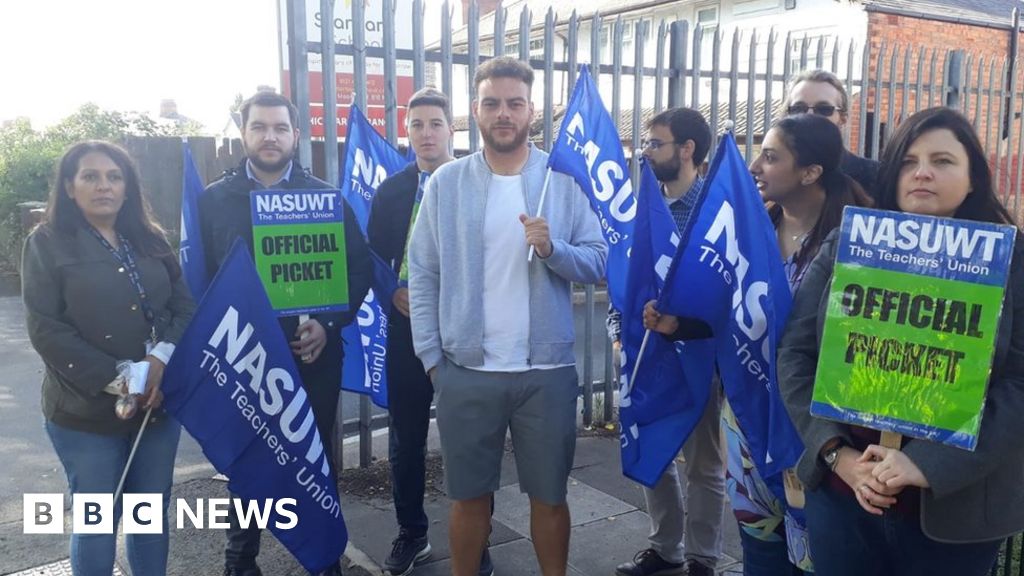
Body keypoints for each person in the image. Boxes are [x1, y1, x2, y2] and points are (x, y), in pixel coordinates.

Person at [778, 106, 1024, 576]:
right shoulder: (846, 245)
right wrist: (837, 455)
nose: (923, 172)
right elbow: (796, 354)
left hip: (955, 516)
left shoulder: (1012, 262)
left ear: (973, 177)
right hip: (842, 498)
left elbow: (1019, 383)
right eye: (908, 161)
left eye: (942, 160)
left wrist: (927, 465)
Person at [643, 113, 873, 575]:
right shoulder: (751, 233)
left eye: (771, 157)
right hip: (747, 424)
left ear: (810, 173)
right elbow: (727, 317)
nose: (754, 167)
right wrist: (679, 325)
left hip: (814, 435)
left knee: (813, 558)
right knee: (761, 553)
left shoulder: (855, 245)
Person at [406, 56, 607, 576]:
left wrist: (552, 250)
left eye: (514, 103)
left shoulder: (560, 180)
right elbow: (422, 273)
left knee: (550, 498)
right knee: (468, 500)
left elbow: (600, 258)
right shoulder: (446, 184)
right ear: (475, 110)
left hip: (546, 373)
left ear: (530, 111)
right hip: (467, 371)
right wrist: (432, 358)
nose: (503, 113)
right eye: (492, 103)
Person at [198, 91, 372, 576]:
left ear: (296, 135)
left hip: (312, 354)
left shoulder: (326, 198)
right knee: (247, 460)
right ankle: (241, 560)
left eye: (279, 128)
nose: (269, 136)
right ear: (244, 133)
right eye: (259, 127)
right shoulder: (214, 202)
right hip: (243, 357)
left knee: (314, 459)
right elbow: (200, 282)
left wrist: (329, 322)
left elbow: (358, 272)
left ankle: (324, 556)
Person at [22, 140, 195, 576]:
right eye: (91, 176)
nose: (104, 186)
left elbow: (183, 305)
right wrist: (126, 382)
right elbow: (46, 329)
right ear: (69, 186)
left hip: (157, 407)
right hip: (85, 413)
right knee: (97, 521)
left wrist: (160, 358)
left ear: (127, 187)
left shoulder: (150, 238)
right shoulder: (46, 243)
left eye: (114, 177)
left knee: (149, 515)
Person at [368, 87, 494, 576]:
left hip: (466, 331)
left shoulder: (479, 181)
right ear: (407, 131)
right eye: (416, 124)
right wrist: (389, 294)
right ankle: (412, 533)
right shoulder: (392, 192)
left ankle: (477, 538)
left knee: (474, 438)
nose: (425, 133)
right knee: (406, 440)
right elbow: (374, 259)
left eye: (434, 123)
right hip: (407, 333)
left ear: (451, 129)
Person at [613, 107, 725, 576]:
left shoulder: (716, 214)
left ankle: (702, 557)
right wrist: (621, 333)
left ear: (687, 149)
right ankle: (665, 549)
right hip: (646, 354)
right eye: (645, 142)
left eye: (655, 143)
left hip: (698, 355)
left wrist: (681, 324)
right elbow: (624, 281)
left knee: (704, 462)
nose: (645, 151)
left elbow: (725, 296)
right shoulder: (642, 211)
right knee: (652, 447)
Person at [785, 69, 879, 198]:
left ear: (842, 119)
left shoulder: (876, 177)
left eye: (824, 109)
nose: (809, 115)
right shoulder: (769, 178)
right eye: (799, 108)